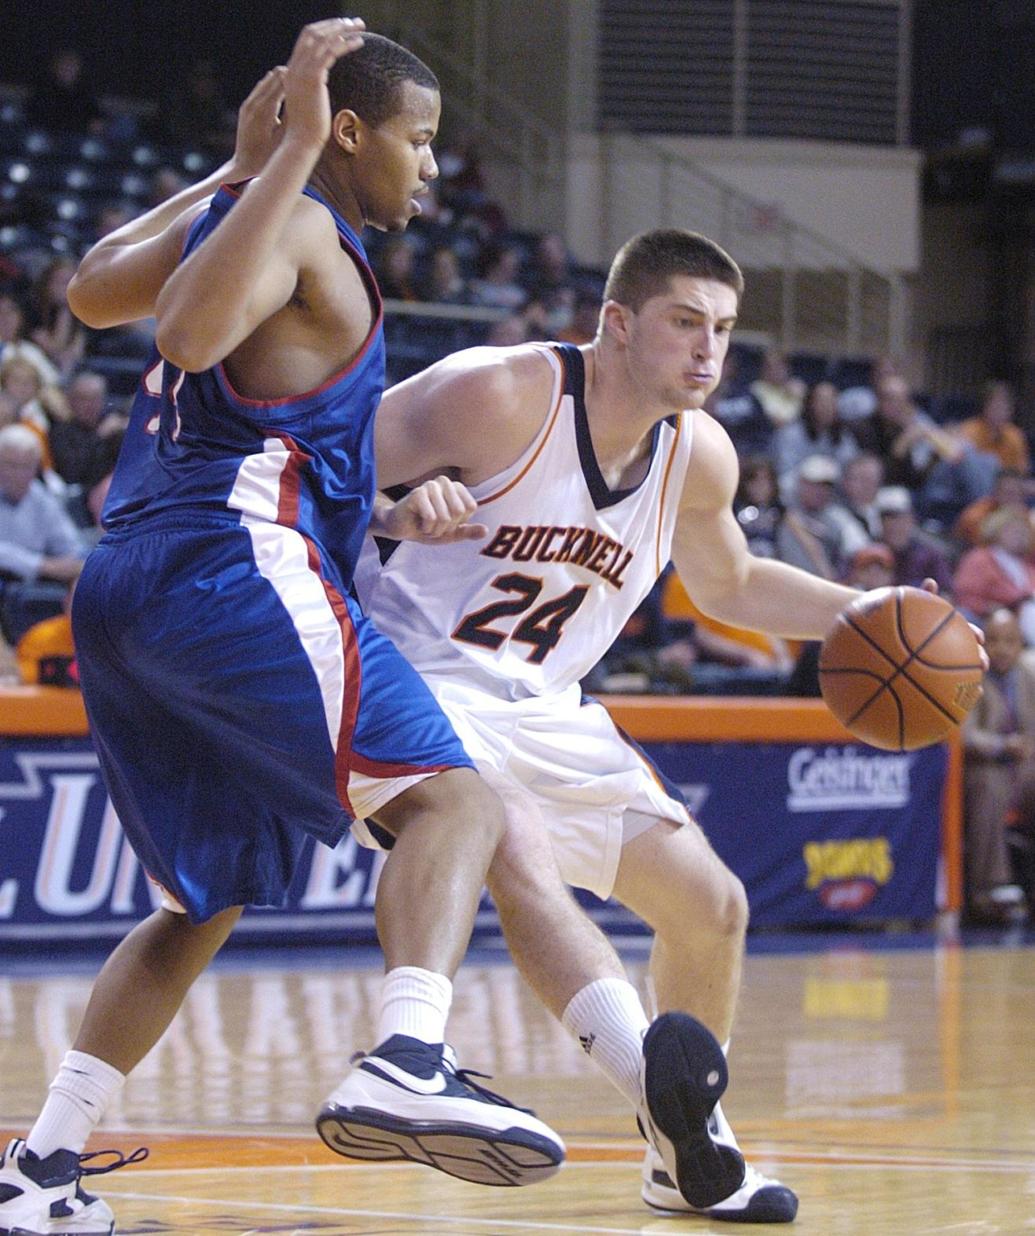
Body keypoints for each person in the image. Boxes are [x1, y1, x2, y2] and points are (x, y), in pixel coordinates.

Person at [0, 23, 565, 1236]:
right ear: (351, 132)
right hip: (227, 567)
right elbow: (183, 336)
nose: (429, 165)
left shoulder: (253, 218)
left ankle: (40, 1164)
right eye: (416, 139)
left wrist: (237, 165)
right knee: (453, 803)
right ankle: (409, 1054)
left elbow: (90, 285)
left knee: (199, 900)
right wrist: (290, 148)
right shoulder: (304, 219)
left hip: (131, 583)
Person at [356, 227, 882, 1222]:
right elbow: (312, 465)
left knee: (712, 906)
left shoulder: (699, 454)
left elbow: (730, 582)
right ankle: (684, 1120)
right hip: (409, 676)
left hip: (546, 703)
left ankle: (673, 1156)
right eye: (687, 323)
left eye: (723, 330)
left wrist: (861, 613)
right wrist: (393, 508)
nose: (708, 352)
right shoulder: (502, 391)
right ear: (617, 322)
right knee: (512, 845)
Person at [961, 608, 1032, 923]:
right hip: (987, 767)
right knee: (987, 786)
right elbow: (966, 735)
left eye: (1010, 641)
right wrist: (1005, 745)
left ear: (1020, 645)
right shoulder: (970, 677)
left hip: (1026, 769)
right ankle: (989, 890)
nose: (1001, 648)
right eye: (994, 640)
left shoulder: (1028, 675)